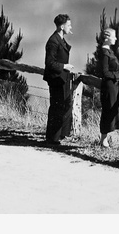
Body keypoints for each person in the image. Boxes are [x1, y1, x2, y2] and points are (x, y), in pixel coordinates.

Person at [44, 13, 75, 143]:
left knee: (66, 105)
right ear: (62, 26)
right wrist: (64, 66)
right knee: (57, 108)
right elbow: (49, 62)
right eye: (68, 25)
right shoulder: (53, 41)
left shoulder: (60, 39)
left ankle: (62, 134)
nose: (71, 27)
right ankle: (52, 139)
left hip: (62, 78)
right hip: (56, 79)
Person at [97, 27, 119, 147]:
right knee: (108, 111)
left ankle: (104, 139)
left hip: (113, 86)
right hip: (108, 87)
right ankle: (103, 140)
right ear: (107, 37)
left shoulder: (109, 51)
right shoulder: (104, 53)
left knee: (111, 111)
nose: (116, 38)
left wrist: (117, 81)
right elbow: (105, 73)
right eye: (114, 36)